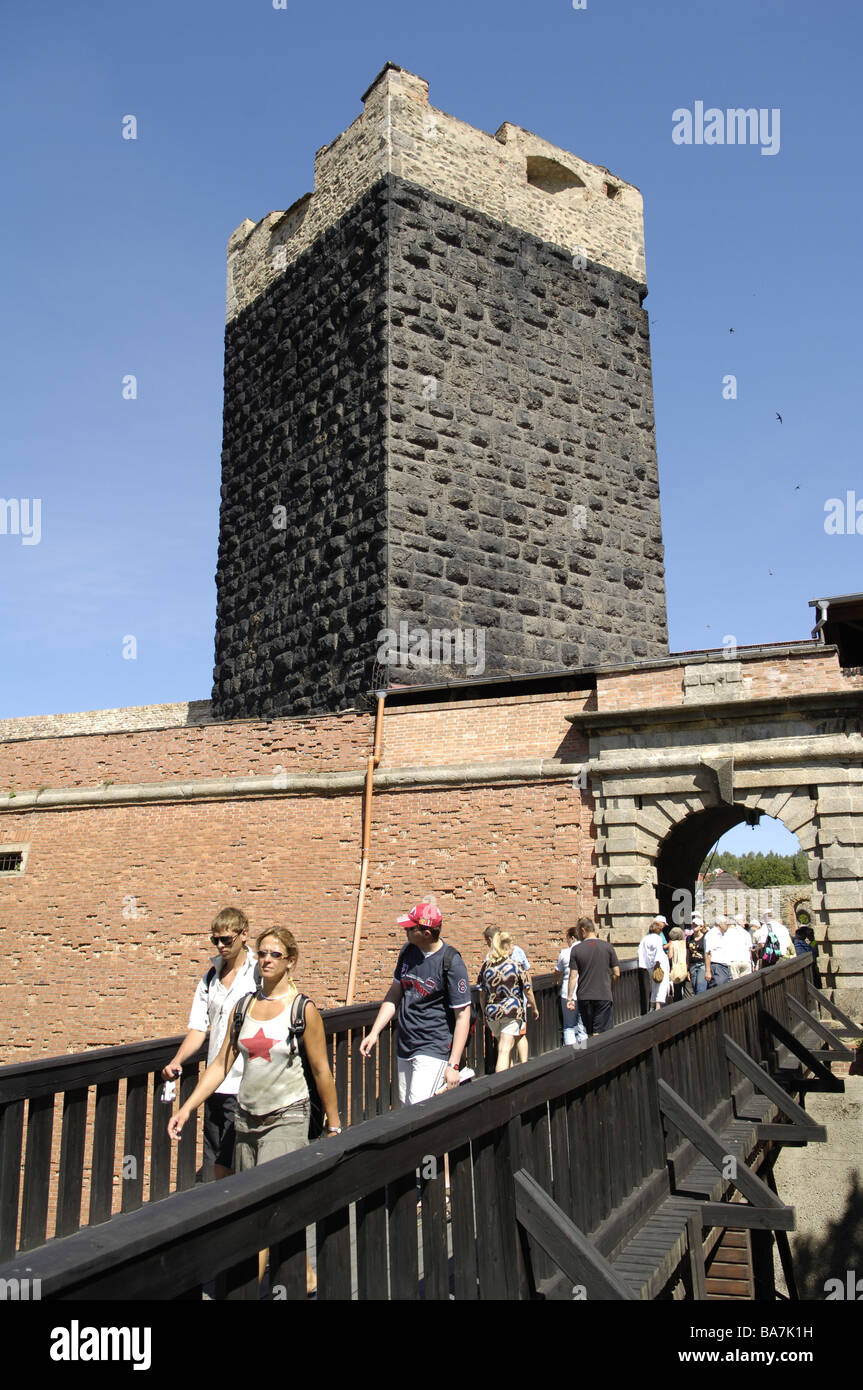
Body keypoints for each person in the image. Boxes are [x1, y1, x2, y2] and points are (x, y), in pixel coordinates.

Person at [168, 926, 341, 1162]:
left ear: (290, 961)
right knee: (250, 1193)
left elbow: (321, 1070)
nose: (267, 960)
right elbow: (220, 1065)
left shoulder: (302, 1010)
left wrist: (334, 1126)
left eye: (275, 955)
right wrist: (187, 1108)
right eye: (262, 953)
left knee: (273, 1189)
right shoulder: (242, 1008)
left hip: (287, 1117)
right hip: (246, 1120)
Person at [161, 906, 260, 1180]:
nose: (220, 946)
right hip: (215, 1085)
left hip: (246, 1084)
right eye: (215, 940)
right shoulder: (210, 977)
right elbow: (198, 1028)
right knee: (215, 1163)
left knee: (234, 1166)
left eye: (226, 940)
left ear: (244, 935)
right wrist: (177, 1060)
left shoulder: (259, 974)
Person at [359, 897, 471, 1104]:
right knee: (406, 1107)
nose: (405, 931)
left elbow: (463, 1015)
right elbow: (394, 993)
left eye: (410, 929)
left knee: (418, 1107)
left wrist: (453, 1065)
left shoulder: (452, 962)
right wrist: (374, 1032)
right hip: (405, 1043)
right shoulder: (407, 951)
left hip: (433, 1044)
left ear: (426, 933)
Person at [482, 926, 539, 1062]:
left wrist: (484, 1011)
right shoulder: (515, 965)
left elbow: (482, 992)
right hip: (512, 1009)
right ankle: (516, 1072)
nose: (513, 947)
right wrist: (534, 1007)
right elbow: (528, 987)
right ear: (506, 946)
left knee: (503, 1047)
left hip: (493, 1011)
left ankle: (510, 1074)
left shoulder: (487, 965)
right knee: (506, 1048)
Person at [566, 917, 620, 1035]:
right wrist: (610, 988)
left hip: (584, 996)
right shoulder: (607, 947)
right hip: (603, 995)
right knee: (601, 1033)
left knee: (591, 1033)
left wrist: (570, 998)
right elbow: (616, 973)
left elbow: (573, 976)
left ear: (583, 930)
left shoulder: (576, 950)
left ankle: (594, 1051)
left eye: (579, 932)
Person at [554, 925, 588, 1045]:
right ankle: (583, 1052)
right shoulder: (586, 950)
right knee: (582, 1025)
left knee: (569, 1026)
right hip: (584, 991)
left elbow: (557, 971)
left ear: (572, 938)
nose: (567, 942)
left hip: (568, 993)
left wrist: (556, 981)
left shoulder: (565, 953)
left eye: (567, 939)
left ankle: (570, 1055)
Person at [638, 917, 670, 1009]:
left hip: (649, 965)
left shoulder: (645, 939)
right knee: (661, 985)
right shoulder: (658, 938)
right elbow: (659, 952)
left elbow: (640, 951)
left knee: (654, 986)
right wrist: (657, 963)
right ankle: (658, 1007)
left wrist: (645, 964)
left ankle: (651, 1007)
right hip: (659, 964)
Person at [704, 916, 734, 989]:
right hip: (717, 966)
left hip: (725, 967)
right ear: (720, 924)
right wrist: (708, 971)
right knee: (718, 990)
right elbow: (707, 953)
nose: (728, 926)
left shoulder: (722, 934)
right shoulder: (711, 935)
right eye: (727, 924)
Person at [666, 926, 689, 1001]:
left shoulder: (672, 943)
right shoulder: (685, 943)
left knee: (677, 990)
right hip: (685, 968)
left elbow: (670, 956)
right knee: (687, 989)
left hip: (677, 969)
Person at [687, 920, 708, 995]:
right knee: (694, 988)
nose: (694, 927)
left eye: (696, 925)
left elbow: (708, 952)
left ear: (701, 926)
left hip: (702, 964)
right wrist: (687, 969)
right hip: (693, 965)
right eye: (693, 925)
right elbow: (688, 954)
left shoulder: (705, 937)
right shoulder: (689, 938)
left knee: (700, 988)